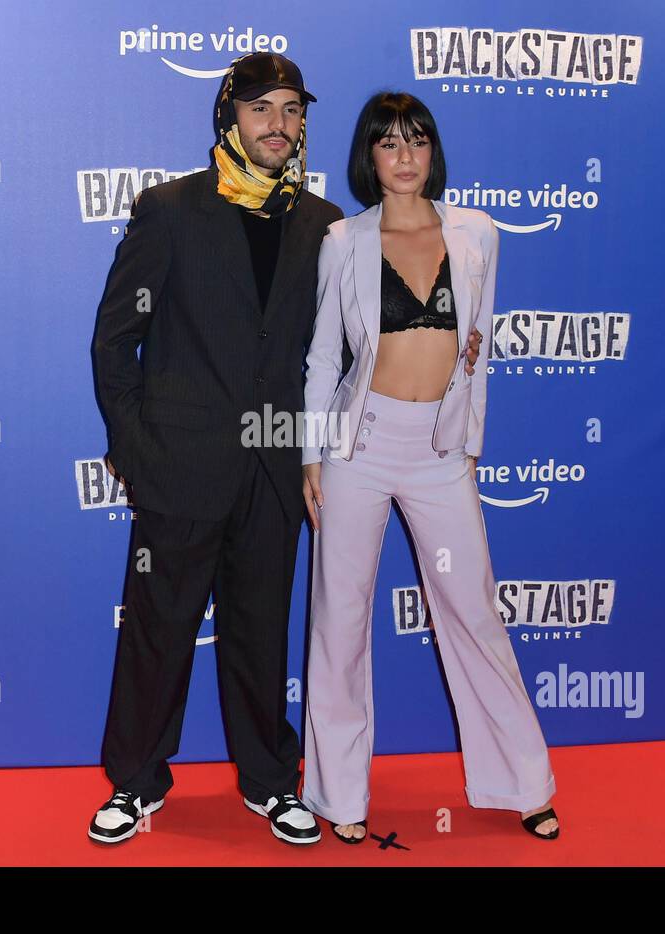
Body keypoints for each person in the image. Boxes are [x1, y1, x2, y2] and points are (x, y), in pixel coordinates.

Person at [87, 52, 344, 845]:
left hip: (274, 466)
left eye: (293, 110)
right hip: (181, 464)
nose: (280, 124)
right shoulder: (169, 210)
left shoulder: (324, 226)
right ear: (229, 117)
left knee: (263, 632)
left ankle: (271, 781)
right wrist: (135, 449)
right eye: (262, 108)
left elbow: (343, 349)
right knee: (159, 631)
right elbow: (113, 342)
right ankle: (136, 782)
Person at [300, 92, 561, 844]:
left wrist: (467, 443)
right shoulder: (343, 241)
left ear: (432, 151)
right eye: (388, 143)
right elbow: (323, 356)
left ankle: (525, 783)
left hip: (439, 452)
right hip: (360, 446)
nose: (405, 155)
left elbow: (477, 350)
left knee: (474, 612)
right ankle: (339, 795)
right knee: (341, 619)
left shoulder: (477, 232)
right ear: (369, 158)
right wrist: (313, 455)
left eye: (416, 140)